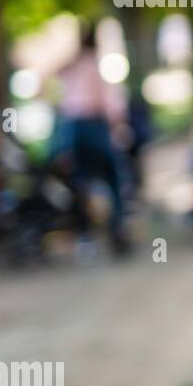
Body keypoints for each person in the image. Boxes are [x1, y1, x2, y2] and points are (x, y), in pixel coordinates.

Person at [55, 25, 132, 255]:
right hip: (95, 126)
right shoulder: (98, 65)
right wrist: (119, 125)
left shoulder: (71, 66)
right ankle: (116, 229)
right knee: (114, 179)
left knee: (80, 184)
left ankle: (85, 234)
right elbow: (112, 101)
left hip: (73, 129)